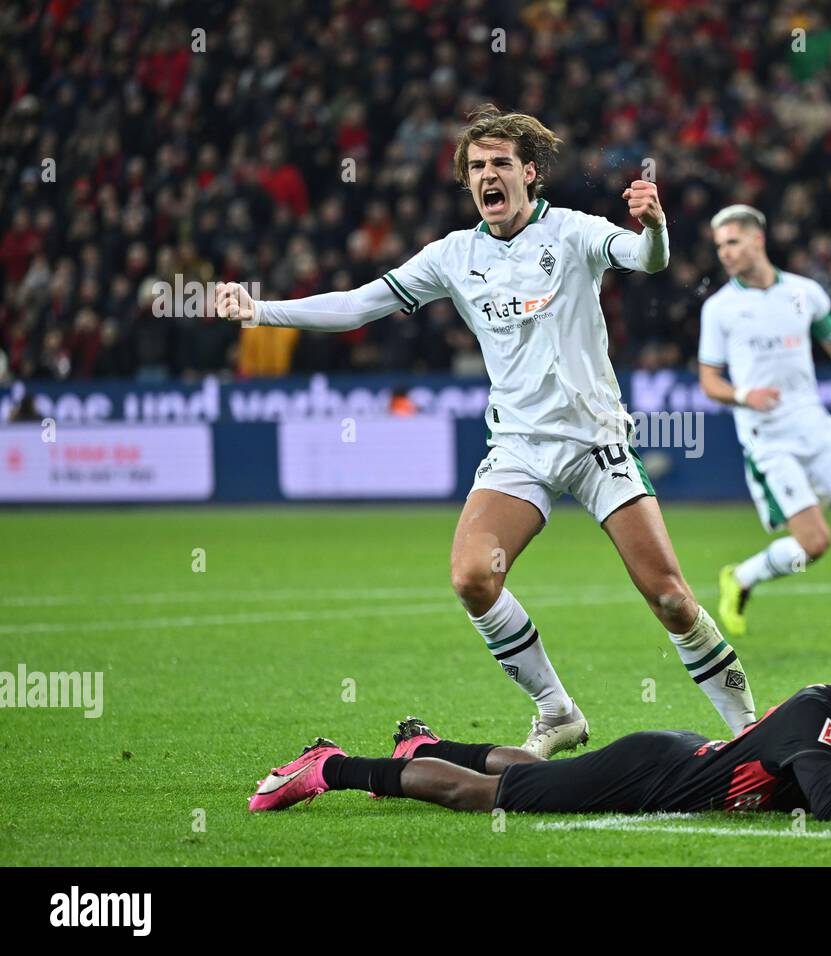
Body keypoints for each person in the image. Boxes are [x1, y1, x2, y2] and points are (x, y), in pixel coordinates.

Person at [216, 106, 756, 756]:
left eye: (500, 163)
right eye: (477, 167)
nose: (487, 175)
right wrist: (260, 310)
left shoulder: (575, 233)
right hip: (521, 449)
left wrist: (656, 227)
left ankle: (749, 732)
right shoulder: (453, 255)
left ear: (529, 173)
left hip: (596, 443)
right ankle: (556, 711)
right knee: (474, 577)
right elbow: (359, 305)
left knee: (668, 596)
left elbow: (647, 260)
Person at [250, 632, 831, 825]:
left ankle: (421, 746)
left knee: (532, 774)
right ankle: (330, 766)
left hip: (685, 759)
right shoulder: (818, 716)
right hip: (656, 776)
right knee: (489, 799)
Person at [697, 206, 831, 646]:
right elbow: (709, 381)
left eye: (732, 242)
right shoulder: (720, 309)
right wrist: (742, 395)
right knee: (814, 544)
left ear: (758, 240)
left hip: (815, 423)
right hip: (767, 437)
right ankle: (741, 577)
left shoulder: (804, 293)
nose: (725, 253)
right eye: (720, 247)